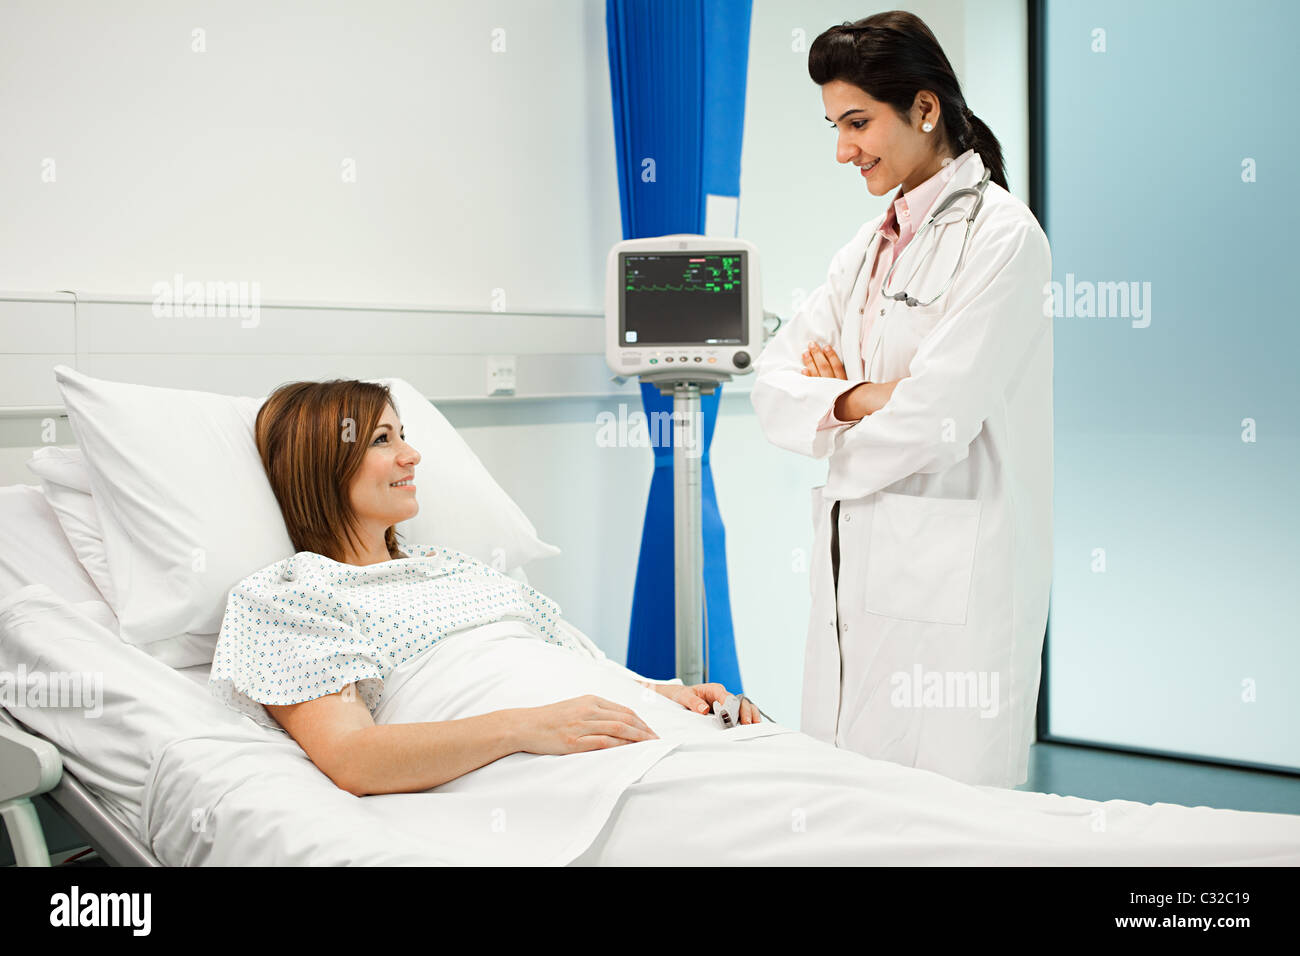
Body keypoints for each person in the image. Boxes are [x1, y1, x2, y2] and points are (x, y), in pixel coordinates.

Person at [750, 11, 1053, 788]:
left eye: (858, 122)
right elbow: (774, 385)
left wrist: (835, 401)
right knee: (852, 804)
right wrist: (861, 398)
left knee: (951, 818)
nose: (843, 149)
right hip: (858, 570)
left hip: (956, 580)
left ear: (924, 109)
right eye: (834, 125)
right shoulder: (867, 246)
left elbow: (936, 421)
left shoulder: (1003, 238)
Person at [207, 379, 760, 797]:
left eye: (404, 434)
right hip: (544, 766)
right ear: (323, 464)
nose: (411, 455)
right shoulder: (291, 595)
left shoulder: (455, 566)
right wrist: (527, 727)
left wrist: (665, 692)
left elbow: (571, 665)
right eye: (382, 439)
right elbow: (353, 757)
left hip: (620, 732)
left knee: (769, 778)